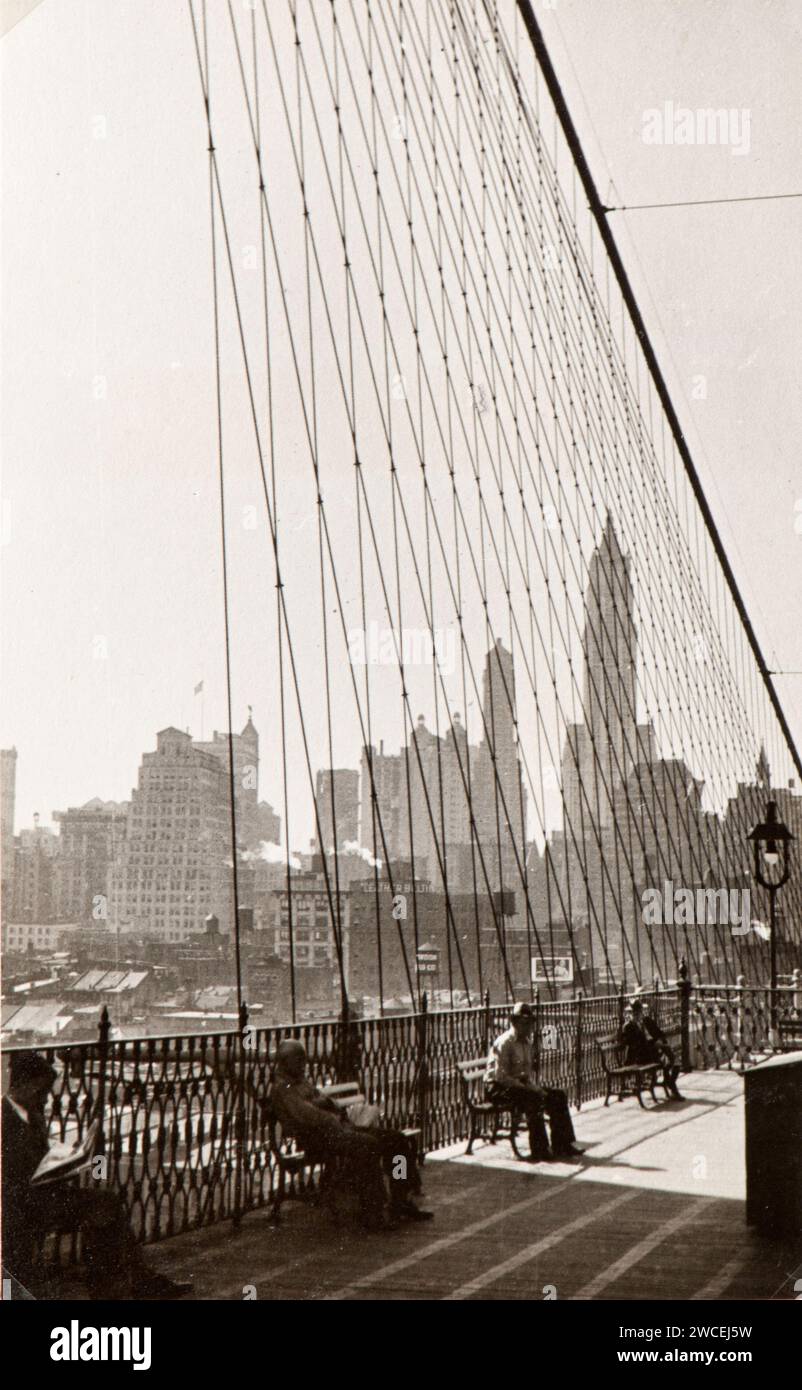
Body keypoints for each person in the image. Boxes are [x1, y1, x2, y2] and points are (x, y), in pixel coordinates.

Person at [2, 1050, 192, 1299]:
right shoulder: (5, 1120)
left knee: (106, 1203)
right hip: (20, 1205)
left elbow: (39, 1160)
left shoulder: (31, 1115)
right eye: (42, 1092)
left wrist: (66, 1163)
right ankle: (122, 1285)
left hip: (45, 1196)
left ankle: (126, 1282)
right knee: (102, 1208)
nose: (46, 1100)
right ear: (24, 1086)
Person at [269, 1040, 433, 1230]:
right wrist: (328, 1110)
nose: (303, 1064)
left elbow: (325, 1102)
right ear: (285, 1061)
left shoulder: (299, 1082)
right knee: (368, 1145)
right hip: (318, 1137)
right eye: (299, 1060)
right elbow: (308, 1115)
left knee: (397, 1140)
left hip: (337, 1130)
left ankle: (400, 1199)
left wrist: (329, 1108)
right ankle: (372, 1212)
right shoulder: (283, 1088)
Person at [484, 1003, 584, 1161]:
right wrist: (529, 1089)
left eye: (530, 1023)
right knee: (533, 1099)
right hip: (498, 1087)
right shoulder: (505, 1043)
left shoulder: (527, 1043)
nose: (529, 1027)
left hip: (519, 1085)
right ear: (515, 1023)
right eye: (525, 1023)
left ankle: (562, 1144)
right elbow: (500, 1076)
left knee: (557, 1096)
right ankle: (540, 1150)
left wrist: (534, 1087)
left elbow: (525, 1075)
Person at [621, 998, 683, 1100]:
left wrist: (658, 1040)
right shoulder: (628, 1027)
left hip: (654, 1052)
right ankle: (673, 1088)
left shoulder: (647, 1021)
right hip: (641, 1056)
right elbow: (634, 1045)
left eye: (639, 1011)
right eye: (634, 1012)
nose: (637, 1014)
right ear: (630, 1013)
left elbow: (660, 1033)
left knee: (674, 1062)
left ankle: (671, 1085)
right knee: (667, 1061)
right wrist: (653, 1044)